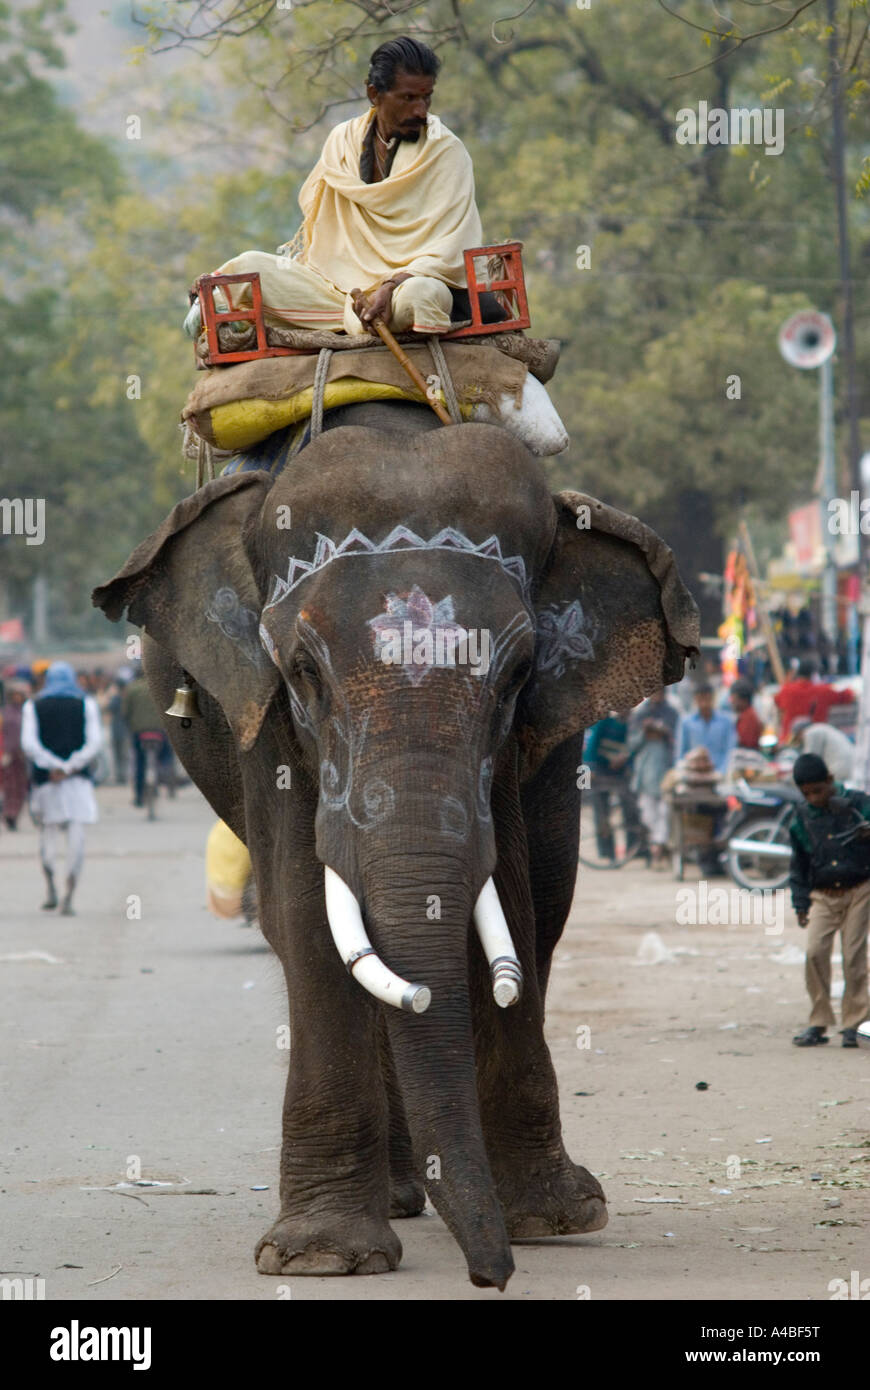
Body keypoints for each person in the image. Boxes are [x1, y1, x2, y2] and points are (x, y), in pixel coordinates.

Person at [191, 37, 483, 340]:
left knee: (423, 296)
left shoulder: (446, 150)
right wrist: (360, 292)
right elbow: (324, 237)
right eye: (408, 98)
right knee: (247, 267)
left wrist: (390, 285)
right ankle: (353, 317)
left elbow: (451, 246)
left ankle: (361, 317)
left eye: (427, 98)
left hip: (407, 288)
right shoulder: (342, 141)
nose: (421, 111)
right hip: (339, 291)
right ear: (375, 94)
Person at [788, 752, 870, 1048]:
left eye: (818, 791)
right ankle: (819, 1020)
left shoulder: (858, 802)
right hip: (822, 894)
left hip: (859, 889)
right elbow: (798, 864)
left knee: (853, 956)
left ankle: (855, 1023)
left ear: (831, 782)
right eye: (806, 793)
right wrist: (800, 903)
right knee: (814, 952)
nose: (813, 798)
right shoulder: (801, 817)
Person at [20, 662, 103, 915]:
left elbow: (29, 744)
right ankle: (70, 894)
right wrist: (72, 766)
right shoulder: (86, 703)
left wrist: (54, 766)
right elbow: (94, 742)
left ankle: (51, 887)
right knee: (77, 840)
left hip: (47, 781)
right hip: (78, 781)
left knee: (48, 836)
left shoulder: (33, 705)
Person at [628, 688, 681, 867]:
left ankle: (657, 847)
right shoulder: (640, 714)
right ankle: (657, 844)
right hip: (645, 769)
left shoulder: (672, 713)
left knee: (665, 811)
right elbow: (632, 743)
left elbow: (677, 740)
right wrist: (645, 731)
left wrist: (663, 732)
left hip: (666, 768)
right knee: (648, 813)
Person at [584, 710, 641, 861]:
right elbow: (592, 746)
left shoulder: (632, 724)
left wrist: (625, 760)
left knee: (630, 810)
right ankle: (607, 851)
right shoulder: (605, 722)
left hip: (620, 772)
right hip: (600, 770)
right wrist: (591, 768)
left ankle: (633, 848)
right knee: (602, 813)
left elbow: (633, 748)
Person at [121, 669, 170, 808]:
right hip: (159, 731)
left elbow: (125, 712)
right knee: (166, 754)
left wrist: (131, 726)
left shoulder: (131, 689)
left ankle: (138, 797)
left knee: (139, 762)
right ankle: (163, 773)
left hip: (139, 732)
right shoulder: (160, 687)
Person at [774, 658, 854, 741]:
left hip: (789, 740)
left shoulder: (786, 690)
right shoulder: (823, 691)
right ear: (814, 675)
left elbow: (777, 701)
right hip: (815, 741)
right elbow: (849, 695)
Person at [678, 684, 736, 774]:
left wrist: (722, 772)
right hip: (693, 775)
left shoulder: (726, 722)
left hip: (720, 773)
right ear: (695, 700)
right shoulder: (686, 722)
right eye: (700, 700)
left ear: (713, 699)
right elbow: (681, 752)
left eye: (707, 699)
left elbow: (730, 750)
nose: (704, 704)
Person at [0, 679, 30, 829]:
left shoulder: (28, 712)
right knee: (9, 787)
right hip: (8, 755)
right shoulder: (5, 713)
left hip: (24, 755)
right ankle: (9, 814)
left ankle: (15, 814)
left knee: (21, 787)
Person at [790, 716, 854, 785]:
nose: (800, 740)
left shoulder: (811, 732)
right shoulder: (822, 728)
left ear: (800, 732)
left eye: (797, 737)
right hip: (850, 768)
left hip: (839, 769)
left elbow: (808, 760)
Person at [729, 679, 762, 750]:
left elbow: (743, 742)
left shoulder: (749, 717)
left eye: (733, 698)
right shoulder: (746, 714)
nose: (731, 701)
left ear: (743, 699)